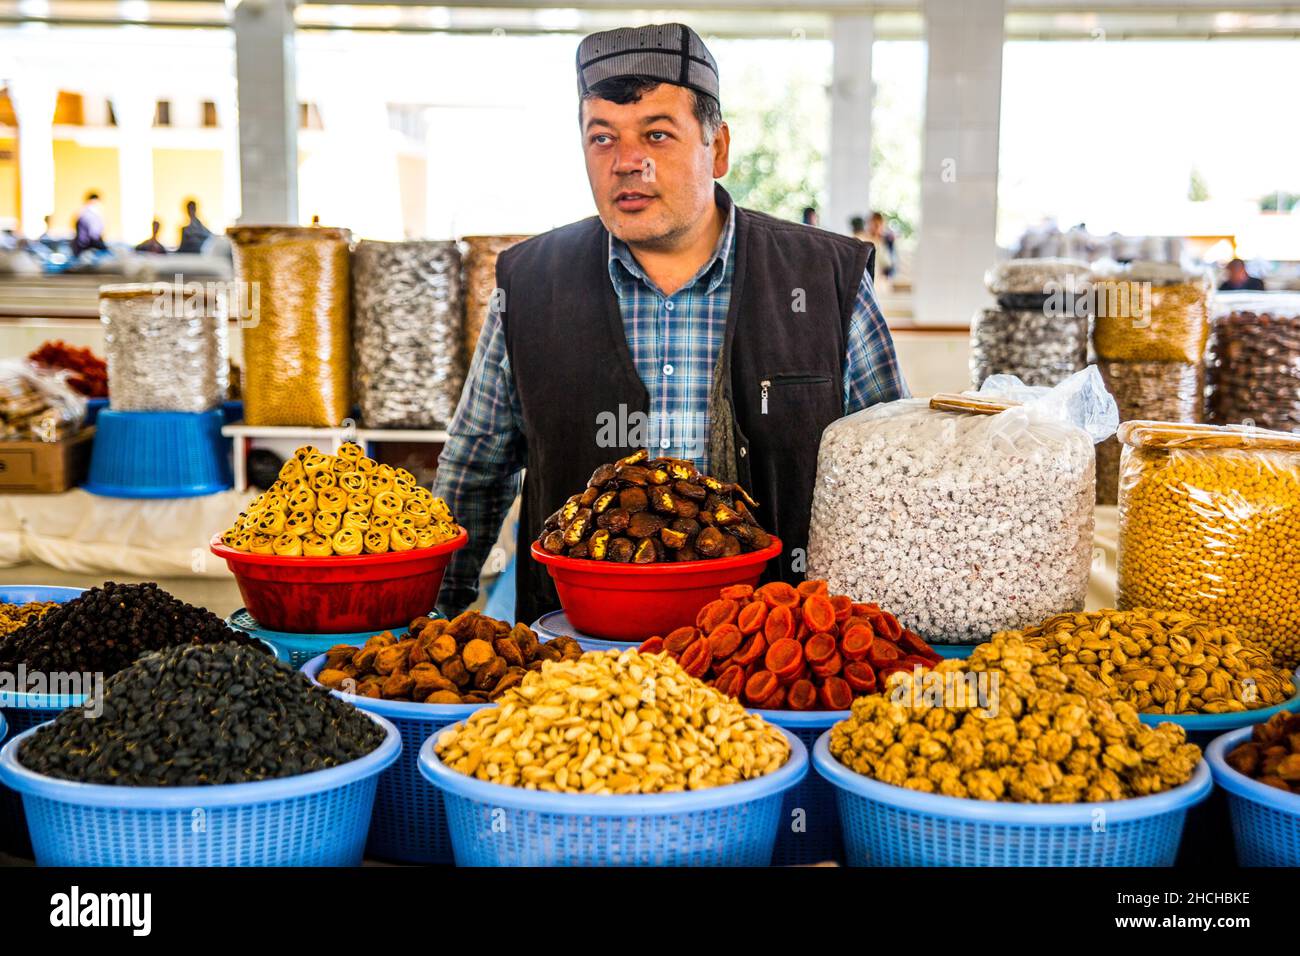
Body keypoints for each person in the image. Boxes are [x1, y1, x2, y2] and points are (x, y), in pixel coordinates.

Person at [433, 23, 908, 624]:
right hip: (577, 655)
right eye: (602, 137)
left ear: (718, 148)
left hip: (774, 653)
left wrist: (884, 634)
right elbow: (474, 468)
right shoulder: (530, 284)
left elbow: (891, 480)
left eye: (657, 134)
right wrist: (430, 617)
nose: (627, 162)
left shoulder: (825, 279)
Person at [72, 192, 107, 257]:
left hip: (85, 242)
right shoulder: (89, 213)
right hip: (88, 243)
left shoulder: (83, 211)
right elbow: (93, 233)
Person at [865, 211, 896, 279]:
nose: (878, 228)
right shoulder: (864, 239)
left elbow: (889, 265)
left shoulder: (887, 241)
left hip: (882, 276)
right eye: (875, 225)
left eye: (880, 225)